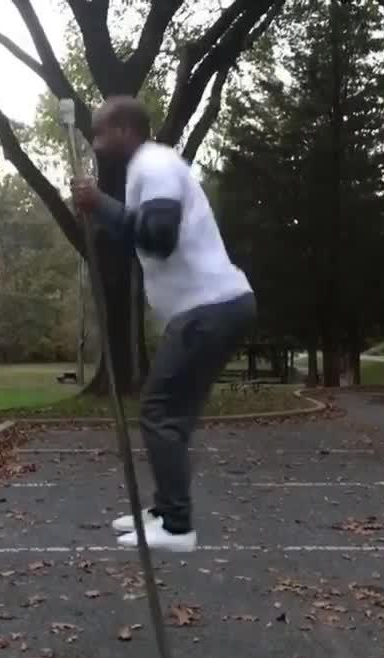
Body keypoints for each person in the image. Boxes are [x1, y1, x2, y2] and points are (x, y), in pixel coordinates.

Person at [72, 96, 256, 553]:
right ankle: (165, 509)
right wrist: (104, 215)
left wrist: (101, 205)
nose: (95, 143)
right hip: (212, 309)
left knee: (158, 412)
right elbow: (146, 237)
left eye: (101, 133)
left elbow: (158, 235)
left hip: (208, 308)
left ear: (127, 131)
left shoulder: (154, 164)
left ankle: (176, 525)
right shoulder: (148, 171)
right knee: (172, 417)